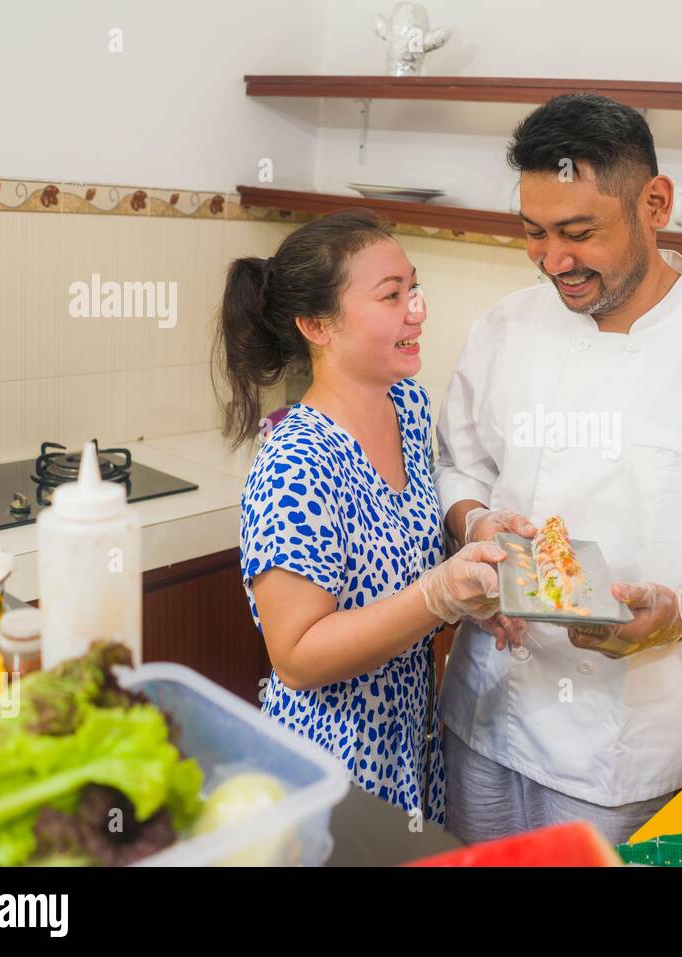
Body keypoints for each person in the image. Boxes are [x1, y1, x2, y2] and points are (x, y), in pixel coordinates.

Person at [435, 93, 682, 845]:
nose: (553, 261)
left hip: (624, 752)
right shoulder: (505, 325)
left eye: (578, 233)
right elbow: (459, 466)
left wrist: (673, 616)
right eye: (534, 232)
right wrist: (477, 522)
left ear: (655, 203)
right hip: (484, 712)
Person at [216, 210, 508, 825]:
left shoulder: (407, 405)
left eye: (414, 288)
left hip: (413, 745)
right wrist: (438, 596)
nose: (417, 309)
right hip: (332, 766)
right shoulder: (297, 462)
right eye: (392, 295)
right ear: (317, 325)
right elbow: (295, 655)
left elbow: (408, 553)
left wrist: (479, 577)